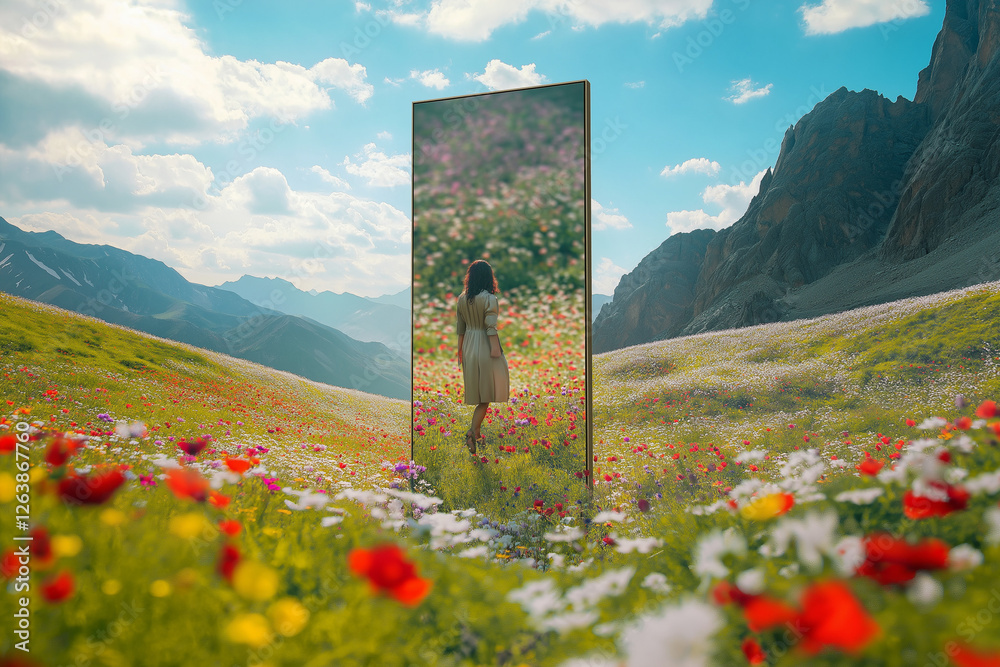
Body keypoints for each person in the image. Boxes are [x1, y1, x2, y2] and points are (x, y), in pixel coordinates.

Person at [456, 259, 509, 454]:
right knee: (487, 394)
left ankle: (477, 436)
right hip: (485, 345)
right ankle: (472, 432)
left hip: (469, 345)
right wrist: (496, 350)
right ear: (489, 278)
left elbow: (460, 328)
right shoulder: (489, 299)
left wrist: (460, 351)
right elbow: (490, 326)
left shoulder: (462, 298)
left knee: (480, 393)